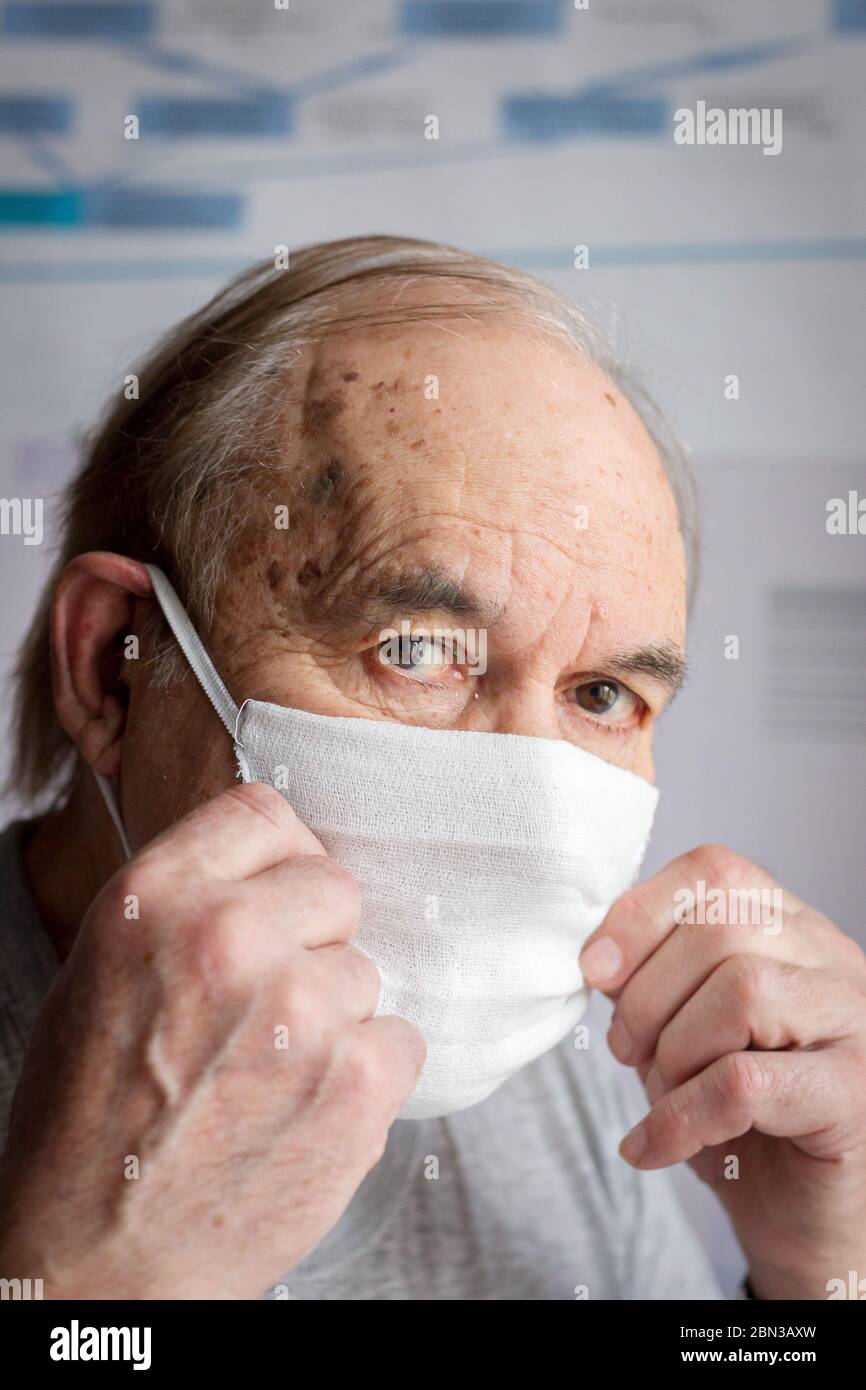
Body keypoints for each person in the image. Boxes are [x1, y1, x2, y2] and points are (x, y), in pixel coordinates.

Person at [0, 236, 863, 1300]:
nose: (532, 813)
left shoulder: (549, 1078)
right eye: (414, 648)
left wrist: (819, 1277)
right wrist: (83, 1282)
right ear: (114, 668)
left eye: (601, 694)